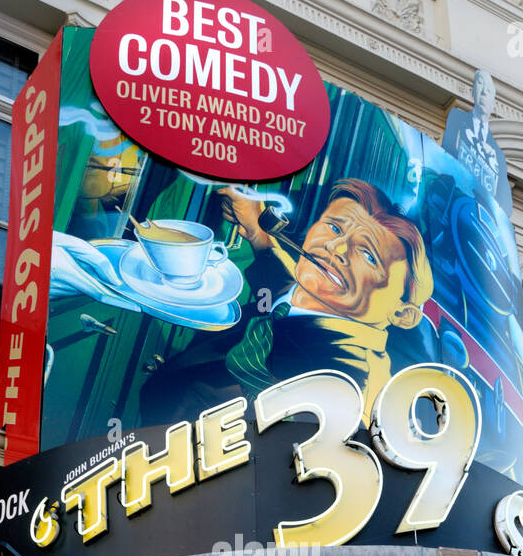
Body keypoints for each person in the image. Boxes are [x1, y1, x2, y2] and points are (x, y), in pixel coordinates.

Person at [136, 177, 434, 428]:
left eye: (369, 256)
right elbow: (290, 292)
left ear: (403, 314)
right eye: (334, 228)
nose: (335, 248)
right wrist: (257, 231)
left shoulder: (348, 376)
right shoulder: (324, 305)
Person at [442, 68, 511, 215]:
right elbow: (446, 153)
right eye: (480, 84)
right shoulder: (457, 118)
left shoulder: (498, 154)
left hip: (478, 217)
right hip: (452, 202)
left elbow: (506, 206)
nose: (484, 92)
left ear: (493, 104)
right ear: (473, 91)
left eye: (489, 91)